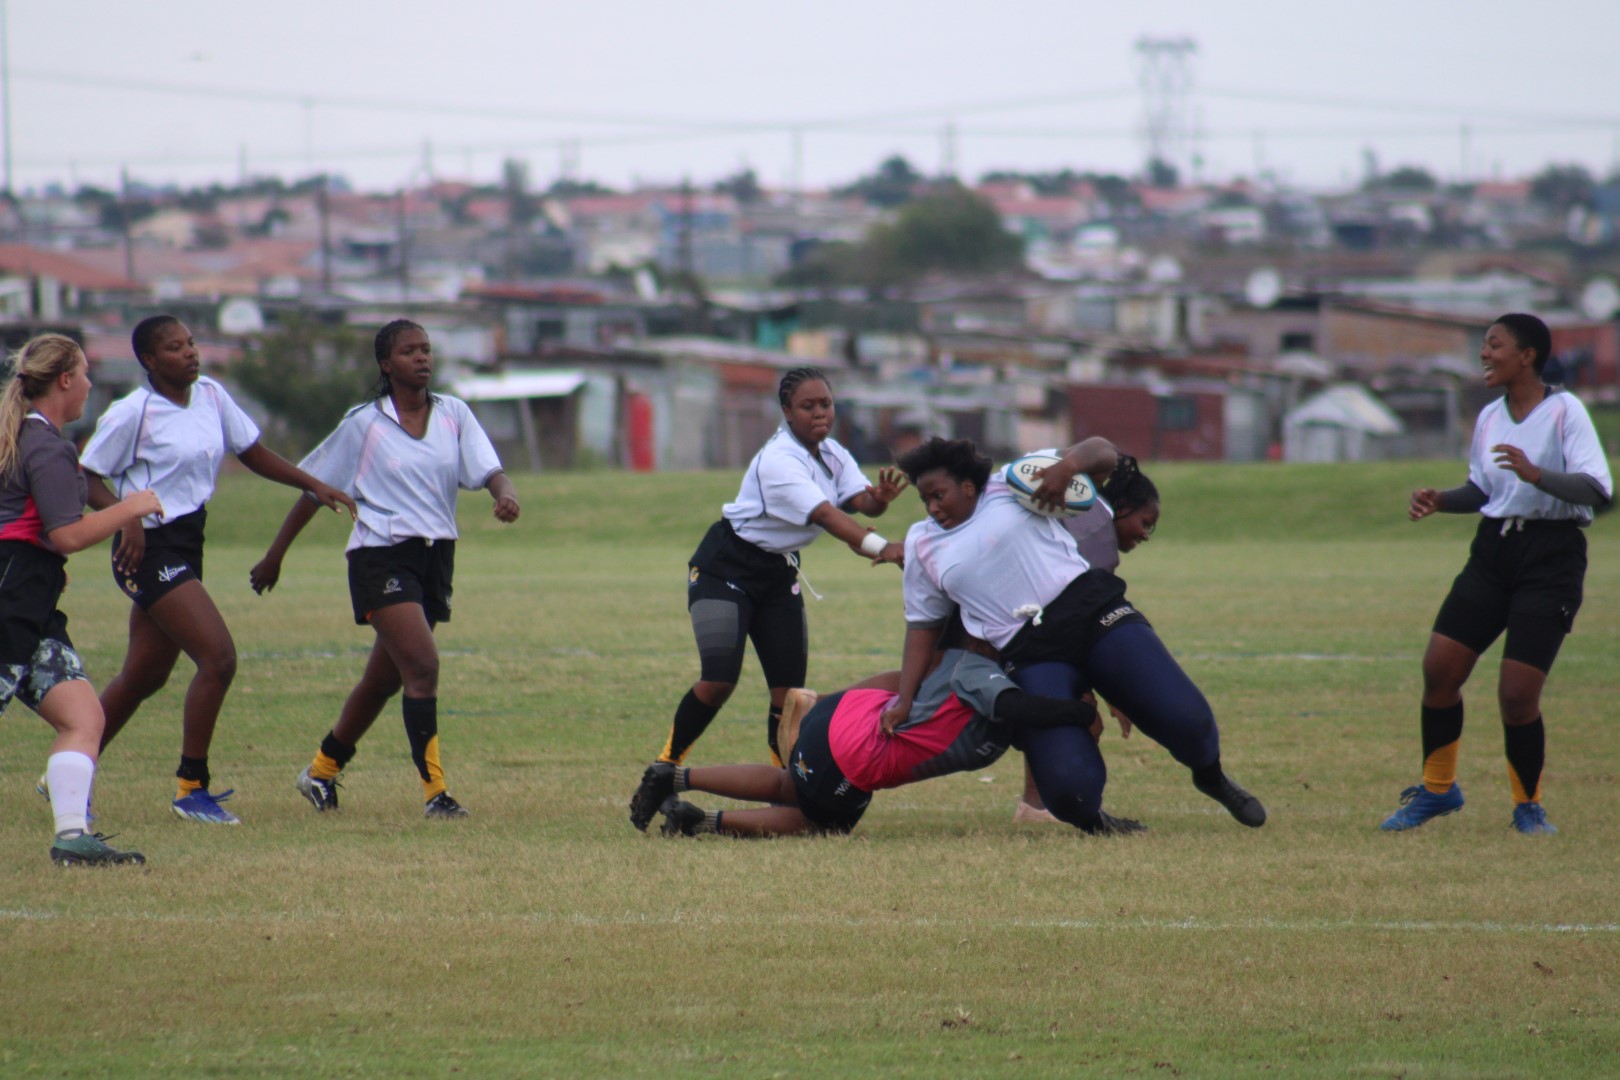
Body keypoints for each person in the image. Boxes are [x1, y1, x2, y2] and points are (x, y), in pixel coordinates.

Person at [888, 436, 1265, 835]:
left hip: (1092, 613)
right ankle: (1095, 821)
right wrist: (905, 699)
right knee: (1068, 791)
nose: (932, 507)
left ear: (967, 485)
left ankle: (1211, 777)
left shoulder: (1009, 483)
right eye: (924, 499)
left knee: (1187, 719)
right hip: (1030, 650)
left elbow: (1103, 453)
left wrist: (1066, 467)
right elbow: (923, 625)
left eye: (938, 495)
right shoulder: (922, 542)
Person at [79, 316, 355, 825]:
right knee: (218, 658)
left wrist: (312, 483)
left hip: (188, 542)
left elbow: (253, 453)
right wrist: (127, 514)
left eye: (190, 343)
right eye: (175, 347)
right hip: (146, 549)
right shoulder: (133, 412)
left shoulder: (210, 395)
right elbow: (86, 475)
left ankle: (68, 770)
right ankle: (191, 788)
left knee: (143, 675)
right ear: (149, 360)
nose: (190, 352)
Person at [251, 319, 519, 819]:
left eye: (426, 349)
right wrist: (275, 555)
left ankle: (321, 771)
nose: (422, 358)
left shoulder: (454, 413)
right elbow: (315, 489)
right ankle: (436, 795)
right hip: (381, 556)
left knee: (384, 681)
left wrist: (506, 494)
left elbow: (491, 471)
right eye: (409, 351)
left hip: (435, 557)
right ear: (386, 364)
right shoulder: (364, 424)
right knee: (423, 667)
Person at [628, 366, 906, 830]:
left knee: (789, 697)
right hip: (724, 568)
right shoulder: (779, 460)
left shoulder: (832, 453)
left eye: (825, 404)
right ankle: (663, 769)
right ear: (786, 412)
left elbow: (860, 503)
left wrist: (880, 498)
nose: (820, 414)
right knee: (719, 681)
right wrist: (882, 547)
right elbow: (828, 517)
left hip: (776, 574)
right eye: (807, 406)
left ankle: (786, 787)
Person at [1380, 313, 1611, 836]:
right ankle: (1438, 790)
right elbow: (1483, 490)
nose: (1484, 354)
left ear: (1526, 356)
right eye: (1484, 345)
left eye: (1494, 345)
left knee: (1516, 695)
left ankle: (1528, 807)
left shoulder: (1565, 411)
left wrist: (1538, 474)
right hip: (1493, 552)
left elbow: (1598, 490)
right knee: (1440, 671)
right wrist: (1442, 500)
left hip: (1551, 558)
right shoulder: (1489, 416)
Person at [628, 639, 1122, 838]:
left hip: (841, 717)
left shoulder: (962, 665)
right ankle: (699, 823)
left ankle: (672, 776)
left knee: (790, 785)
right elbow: (1017, 709)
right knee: (821, 823)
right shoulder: (985, 675)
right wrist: (1079, 714)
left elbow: (1024, 725)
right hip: (852, 749)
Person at [2, 334, 161, 865]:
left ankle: (72, 837)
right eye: (86, 373)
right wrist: (130, 508)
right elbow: (67, 535)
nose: (91, 384)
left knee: (83, 717)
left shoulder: (26, 438)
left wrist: (43, 570)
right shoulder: (45, 445)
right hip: (12, 598)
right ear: (65, 380)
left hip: (31, 596)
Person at [1015, 455, 1160, 823]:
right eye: (1146, 522)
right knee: (1077, 712)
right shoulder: (1097, 538)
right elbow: (1078, 625)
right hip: (1013, 631)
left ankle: (1036, 804)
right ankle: (1040, 805)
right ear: (1121, 507)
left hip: (1012, 626)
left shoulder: (1083, 522)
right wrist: (1112, 690)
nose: (1146, 534)